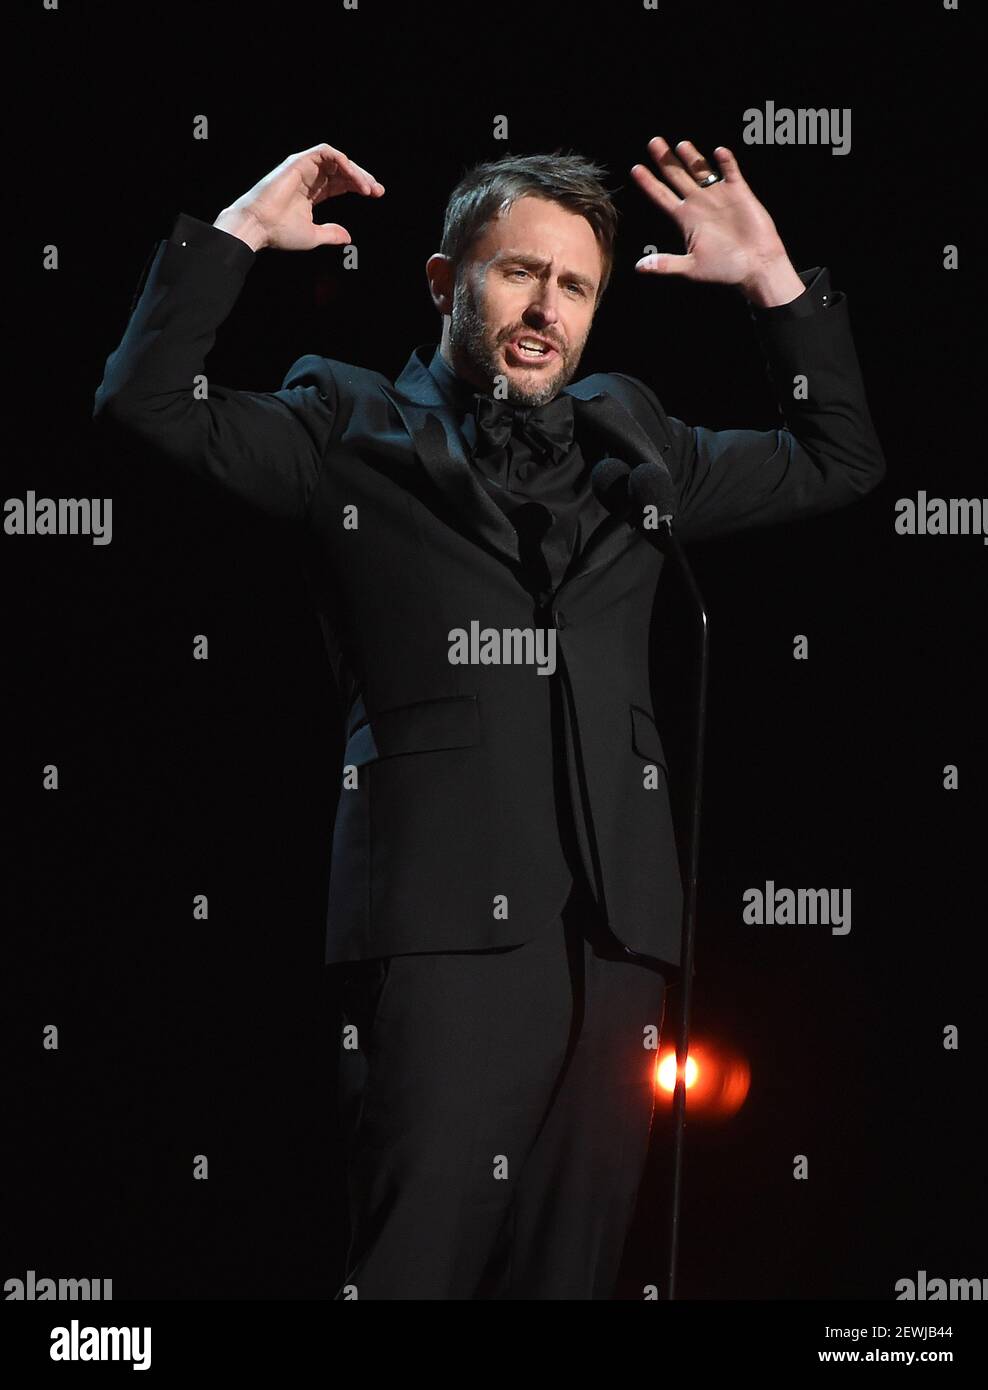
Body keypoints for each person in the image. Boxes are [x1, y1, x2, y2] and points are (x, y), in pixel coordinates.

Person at [93, 137, 886, 1299]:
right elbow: (144, 400)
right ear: (443, 281)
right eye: (516, 273)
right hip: (439, 933)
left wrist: (773, 279)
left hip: (618, 944)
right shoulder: (344, 425)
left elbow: (841, 457)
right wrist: (239, 231)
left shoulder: (635, 442)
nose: (543, 308)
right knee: (418, 1269)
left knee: (570, 1276)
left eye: (572, 286)